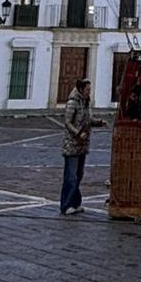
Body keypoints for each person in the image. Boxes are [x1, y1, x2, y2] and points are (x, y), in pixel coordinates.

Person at [60, 78, 103, 214]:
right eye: (88, 89)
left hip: (82, 145)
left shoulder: (85, 103)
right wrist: (78, 133)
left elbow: (88, 120)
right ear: (81, 89)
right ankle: (66, 205)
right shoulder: (73, 102)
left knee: (78, 175)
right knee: (71, 176)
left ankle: (75, 203)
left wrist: (98, 122)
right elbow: (67, 122)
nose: (89, 91)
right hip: (72, 144)